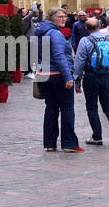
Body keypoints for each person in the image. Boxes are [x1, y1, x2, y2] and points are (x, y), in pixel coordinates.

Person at [33, 9, 82, 152]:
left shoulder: (40, 32)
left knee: (51, 108)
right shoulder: (55, 34)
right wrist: (68, 77)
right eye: (60, 17)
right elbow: (59, 56)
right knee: (67, 108)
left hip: (44, 74)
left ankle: (50, 143)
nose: (64, 19)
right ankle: (69, 144)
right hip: (57, 75)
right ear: (52, 18)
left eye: (64, 16)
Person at [73, 17, 109, 147]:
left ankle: (97, 136)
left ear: (86, 29)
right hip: (108, 76)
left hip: (91, 76)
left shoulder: (85, 41)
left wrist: (77, 80)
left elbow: (79, 63)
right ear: (100, 26)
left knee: (92, 107)